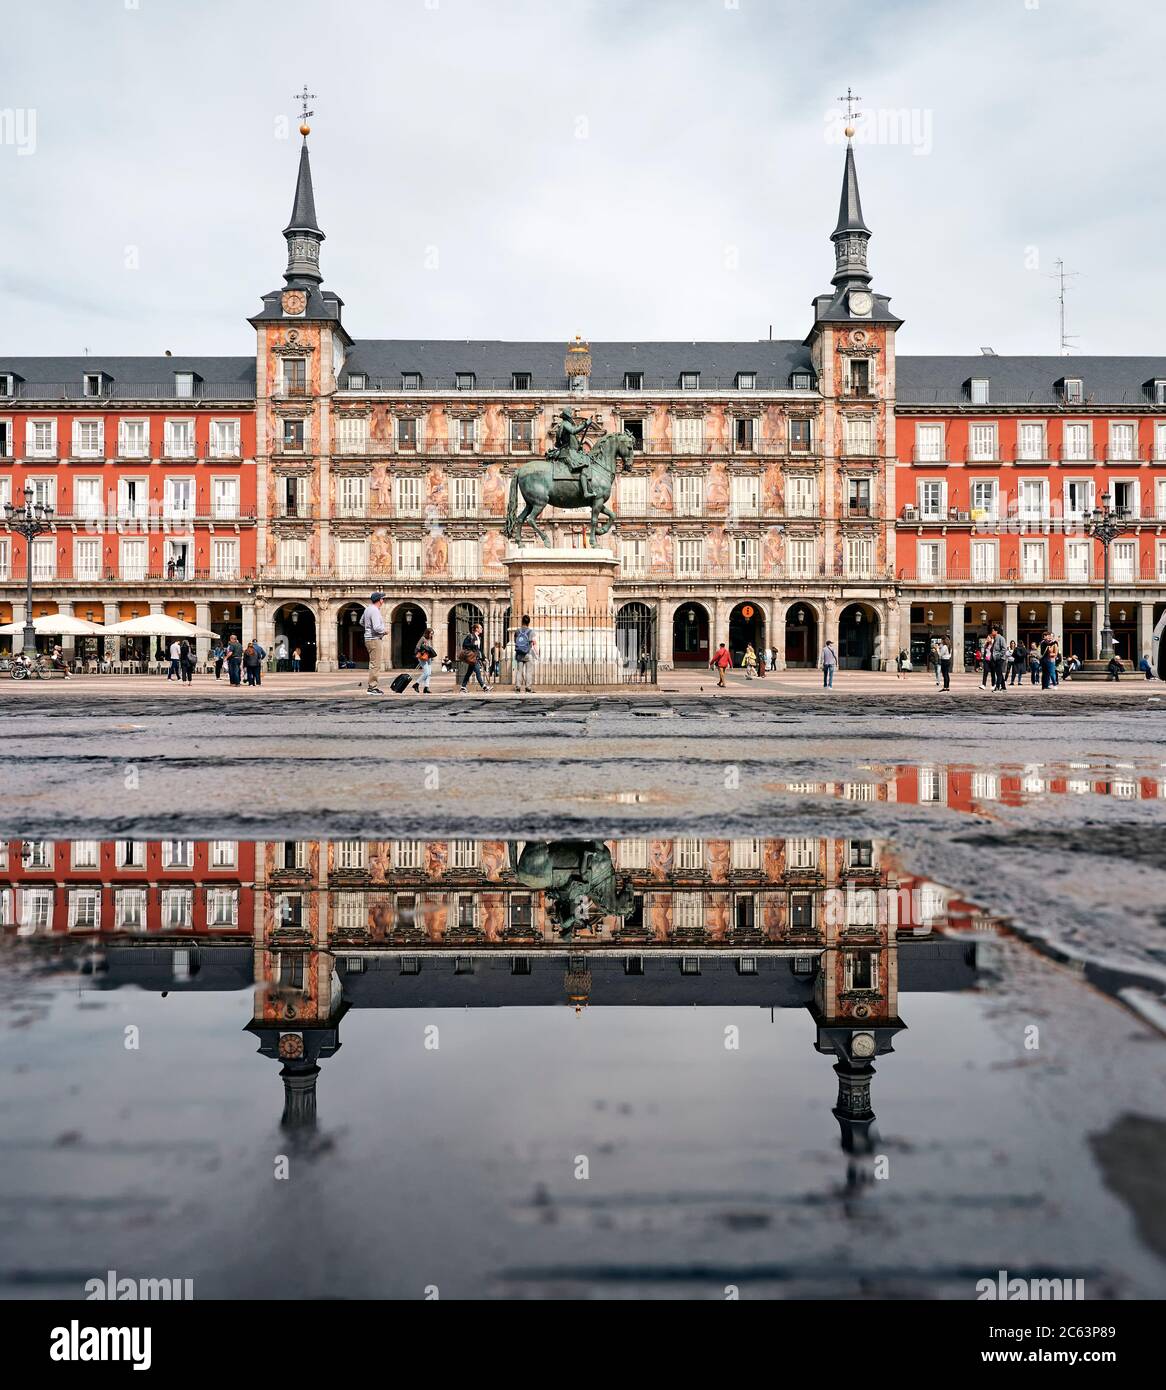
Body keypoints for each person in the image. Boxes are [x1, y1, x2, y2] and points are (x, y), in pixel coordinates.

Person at [362, 592, 387, 694]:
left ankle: (372, 687)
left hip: (368, 639)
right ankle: (372, 687)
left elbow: (361, 622)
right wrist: (384, 631)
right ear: (379, 600)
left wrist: (368, 628)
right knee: (376, 664)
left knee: (373, 663)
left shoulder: (367, 609)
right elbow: (377, 627)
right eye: (382, 598)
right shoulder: (375, 610)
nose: (383, 600)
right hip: (374, 639)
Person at [459, 621, 490, 693]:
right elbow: (464, 644)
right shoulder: (470, 636)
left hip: (475, 657)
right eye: (480, 628)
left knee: (469, 673)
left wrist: (484, 658)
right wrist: (473, 645)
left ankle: (463, 687)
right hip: (472, 657)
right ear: (476, 629)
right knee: (478, 672)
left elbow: (480, 649)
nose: (482, 629)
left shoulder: (479, 638)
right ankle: (484, 687)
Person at [512, 614, 537, 693]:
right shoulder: (531, 632)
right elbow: (534, 643)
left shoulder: (517, 631)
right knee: (528, 671)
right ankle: (528, 687)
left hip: (519, 653)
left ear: (522, 621)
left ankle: (518, 687)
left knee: (519, 671)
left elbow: (515, 641)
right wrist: (537, 652)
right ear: (529, 622)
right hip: (528, 653)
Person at [412, 627, 438, 694]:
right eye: (430, 634)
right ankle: (416, 684)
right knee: (426, 672)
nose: (431, 635)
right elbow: (417, 647)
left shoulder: (430, 640)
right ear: (427, 633)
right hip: (422, 657)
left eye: (432, 634)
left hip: (428, 657)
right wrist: (423, 647)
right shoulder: (423, 638)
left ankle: (426, 687)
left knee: (429, 673)